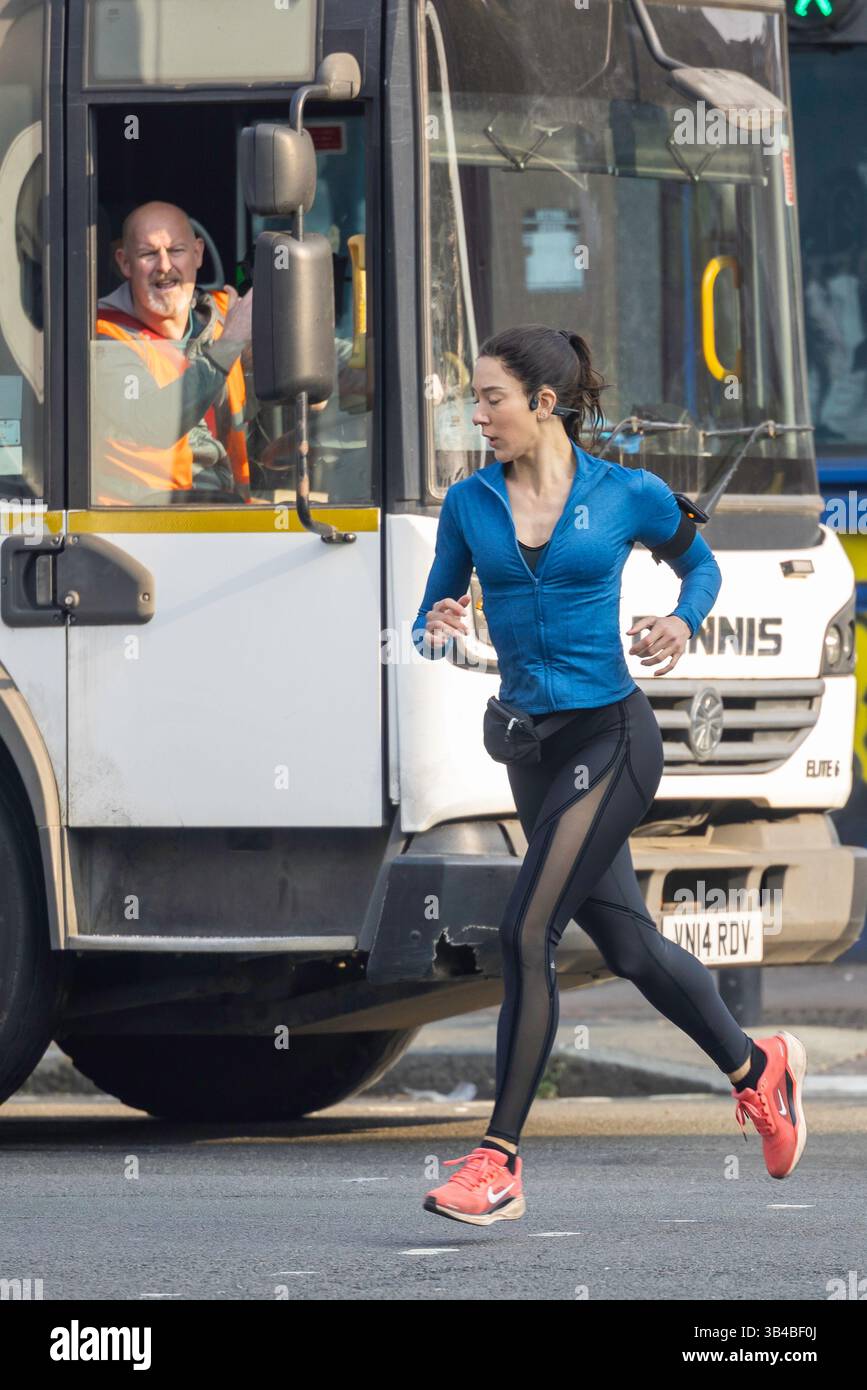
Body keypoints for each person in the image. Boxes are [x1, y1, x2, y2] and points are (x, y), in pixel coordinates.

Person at [411, 324, 808, 1226]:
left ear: (543, 404)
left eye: (491, 400)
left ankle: (497, 1162)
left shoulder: (623, 494)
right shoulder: (470, 503)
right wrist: (440, 622)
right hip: (529, 749)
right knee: (628, 948)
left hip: (613, 738)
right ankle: (758, 1069)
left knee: (525, 930)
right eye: (473, 400)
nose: (477, 417)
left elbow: (697, 562)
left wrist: (684, 620)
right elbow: (425, 620)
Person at [92, 201, 256, 504]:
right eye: (148, 254)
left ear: (198, 253)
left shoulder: (222, 314)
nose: (164, 266)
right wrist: (231, 344)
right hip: (141, 525)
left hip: (228, 512)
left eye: (176, 250)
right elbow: (153, 422)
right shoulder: (103, 338)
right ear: (124, 263)